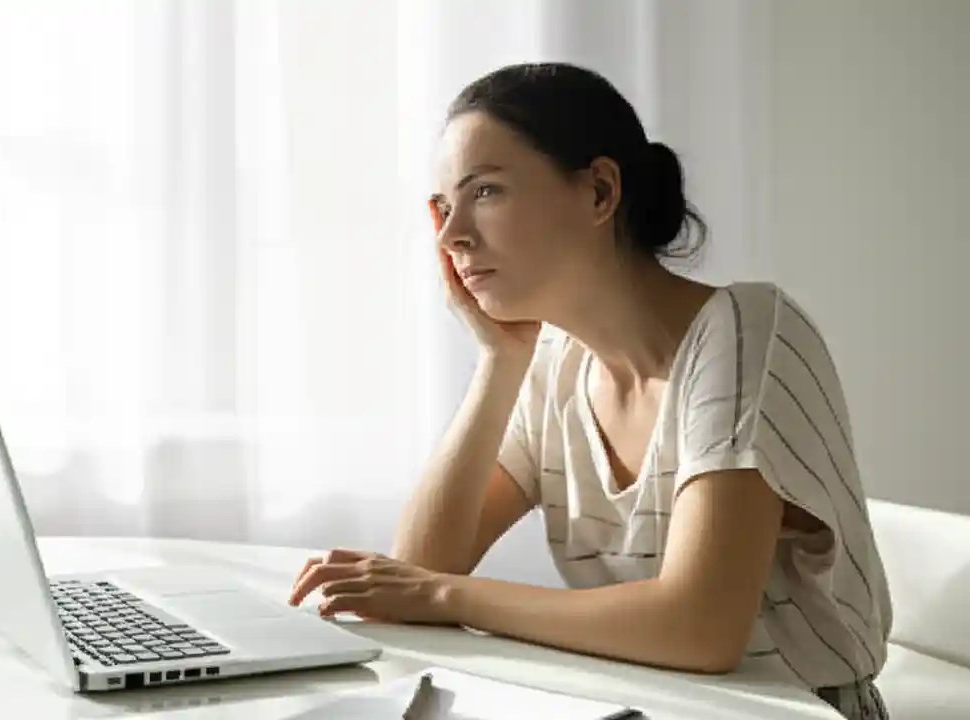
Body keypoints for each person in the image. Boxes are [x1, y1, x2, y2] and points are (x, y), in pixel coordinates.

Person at [286, 62, 891, 720]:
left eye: (485, 191)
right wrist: (499, 358)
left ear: (601, 192)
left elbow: (700, 627)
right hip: (648, 707)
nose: (452, 234)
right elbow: (420, 567)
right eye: (443, 207)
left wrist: (446, 597)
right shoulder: (556, 359)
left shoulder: (745, 334)